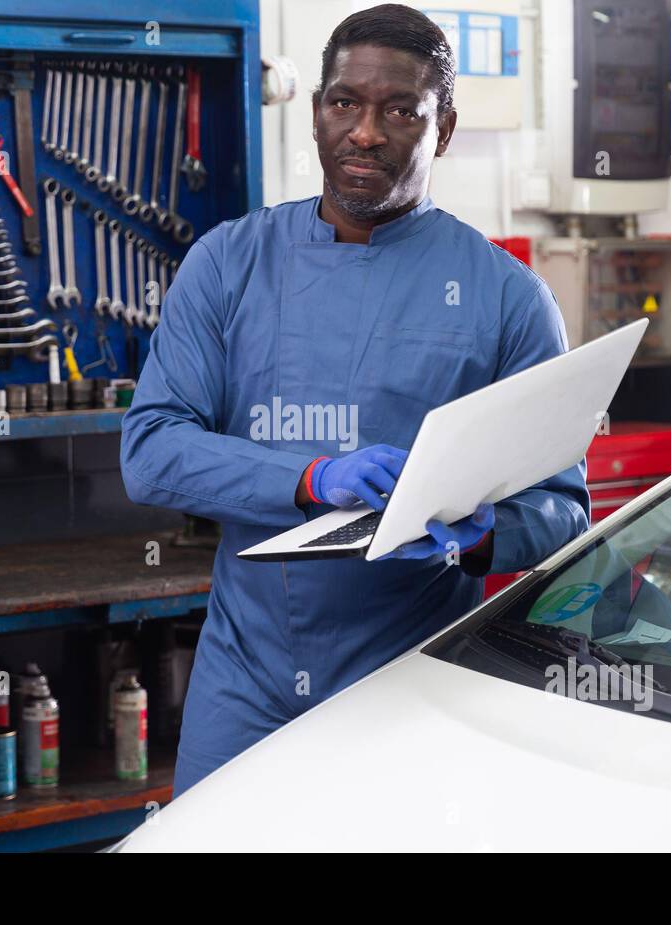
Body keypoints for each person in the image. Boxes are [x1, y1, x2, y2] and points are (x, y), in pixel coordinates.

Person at [121, 3, 590, 796]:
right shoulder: (228, 265)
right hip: (245, 678)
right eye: (345, 103)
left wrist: (478, 539)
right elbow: (151, 454)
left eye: (400, 111)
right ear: (315, 115)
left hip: (412, 681)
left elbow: (564, 513)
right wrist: (308, 482)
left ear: (441, 130)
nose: (366, 132)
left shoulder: (509, 300)